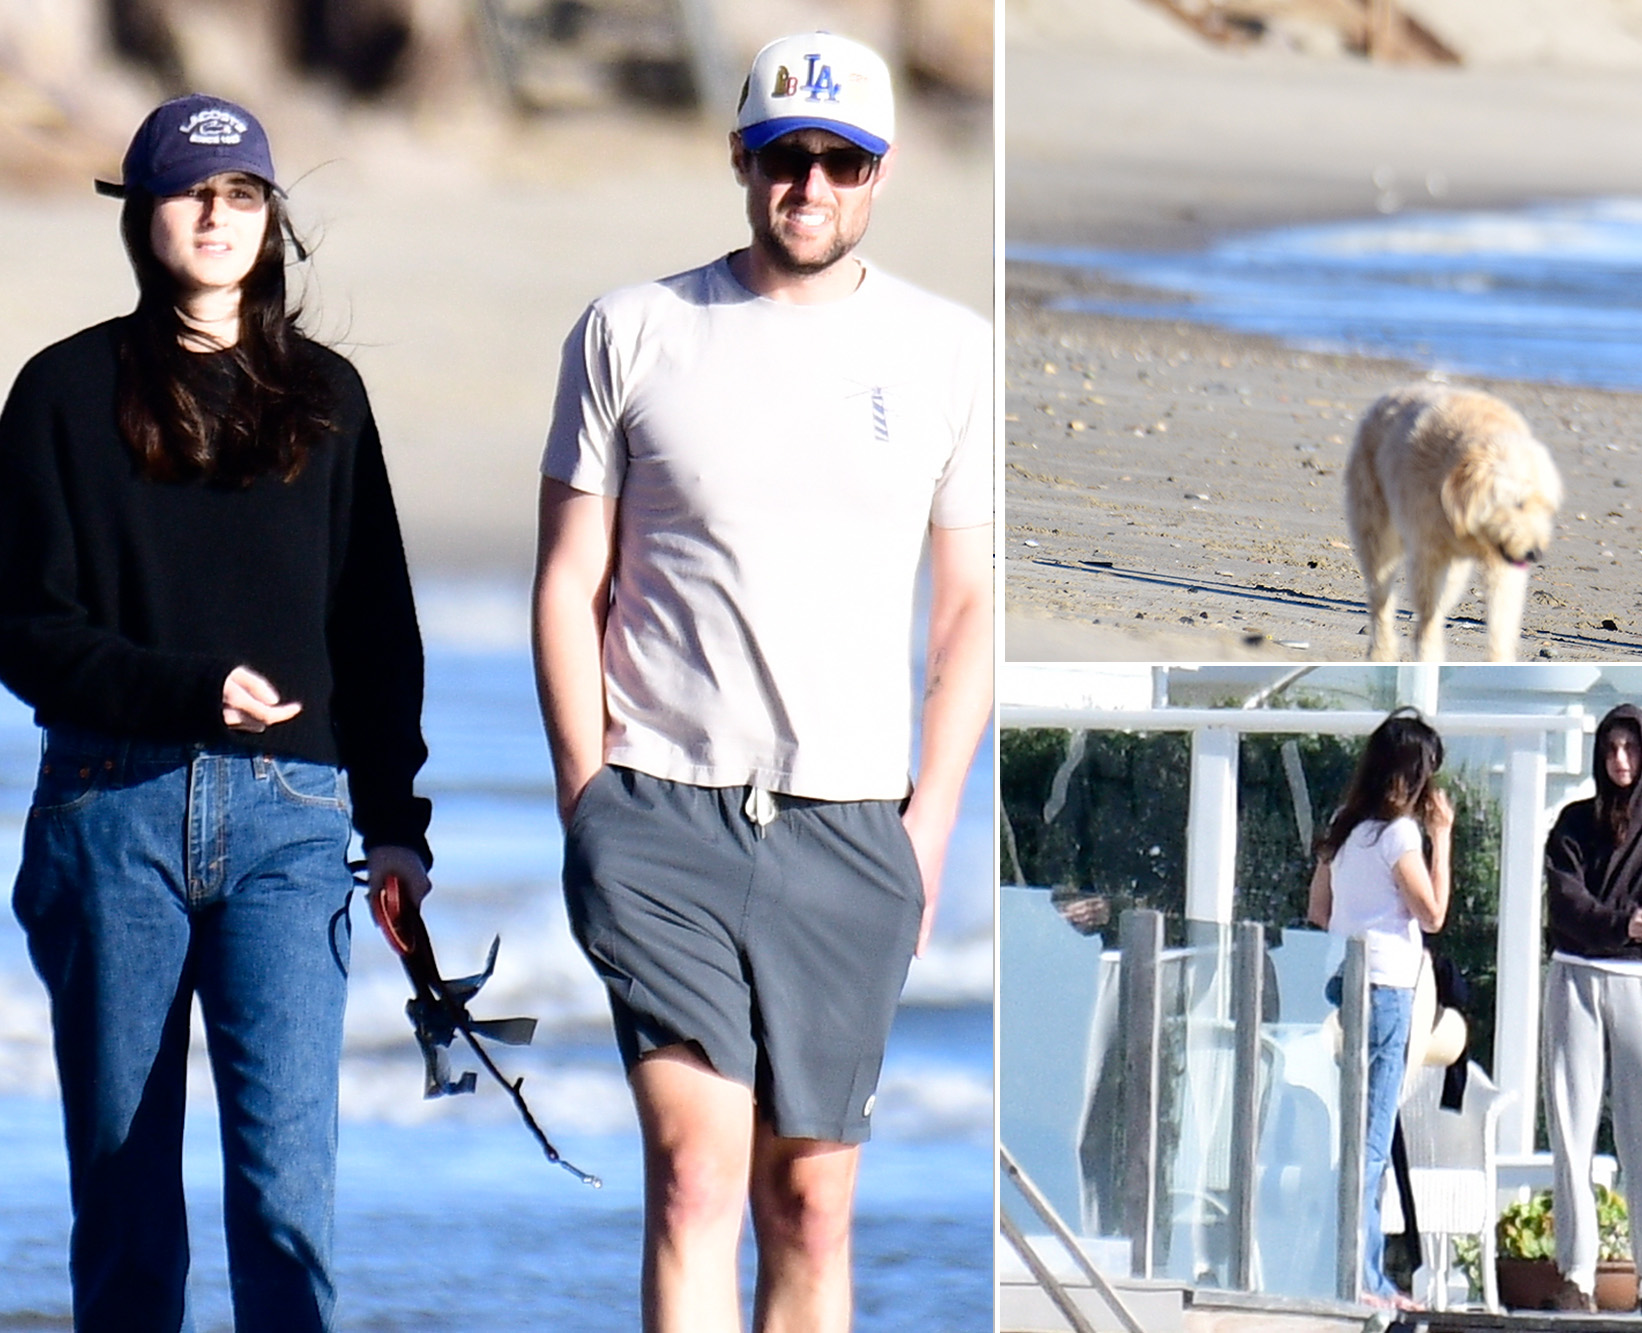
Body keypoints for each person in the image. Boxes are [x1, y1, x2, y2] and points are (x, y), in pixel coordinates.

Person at [532, 31, 993, 1333]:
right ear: (742, 159)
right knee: (690, 1183)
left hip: (849, 831)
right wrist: (589, 801)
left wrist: (929, 824)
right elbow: (570, 582)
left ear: (878, 176)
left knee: (813, 1207)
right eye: (785, 155)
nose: (811, 185)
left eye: (840, 161)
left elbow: (964, 616)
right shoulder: (632, 331)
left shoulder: (949, 351)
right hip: (660, 818)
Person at [0, 95, 431, 1332]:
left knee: (287, 1193)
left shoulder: (329, 397)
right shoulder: (62, 394)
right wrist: (187, 687)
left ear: (271, 219)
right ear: (142, 217)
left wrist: (397, 825)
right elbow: (24, 630)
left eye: (242, 194)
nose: (216, 215)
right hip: (107, 808)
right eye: (190, 194)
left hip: (293, 825)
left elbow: (376, 633)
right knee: (126, 1194)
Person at [1541, 704, 1642, 1314]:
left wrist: (1640, 928)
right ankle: (1577, 1275)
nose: (1620, 761)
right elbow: (1564, 905)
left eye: (1630, 749)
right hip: (1575, 977)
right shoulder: (1573, 823)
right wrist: (1625, 922)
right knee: (1571, 1127)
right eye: (1611, 749)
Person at [1305, 708, 1452, 1312]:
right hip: (1389, 987)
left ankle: (1349, 1268)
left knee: (1350, 1134)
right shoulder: (1398, 834)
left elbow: (1319, 910)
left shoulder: (1342, 825)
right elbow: (1433, 913)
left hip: (1343, 979)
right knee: (1370, 1140)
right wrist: (1442, 838)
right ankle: (1363, 1277)